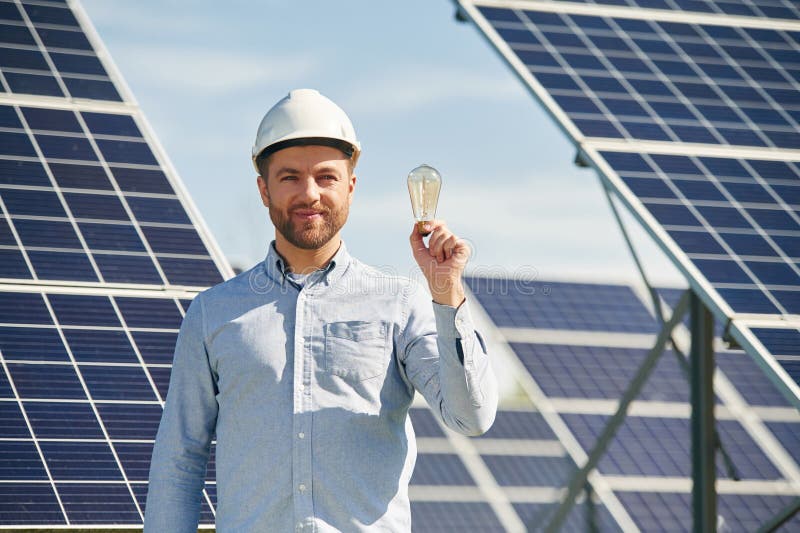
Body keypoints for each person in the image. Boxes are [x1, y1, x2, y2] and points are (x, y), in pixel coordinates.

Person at [144, 88, 498, 532]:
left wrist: (447, 293)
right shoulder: (212, 314)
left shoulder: (399, 303)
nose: (309, 193)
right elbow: (179, 460)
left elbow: (471, 416)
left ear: (351, 187)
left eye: (326, 177)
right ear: (264, 189)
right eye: (290, 177)